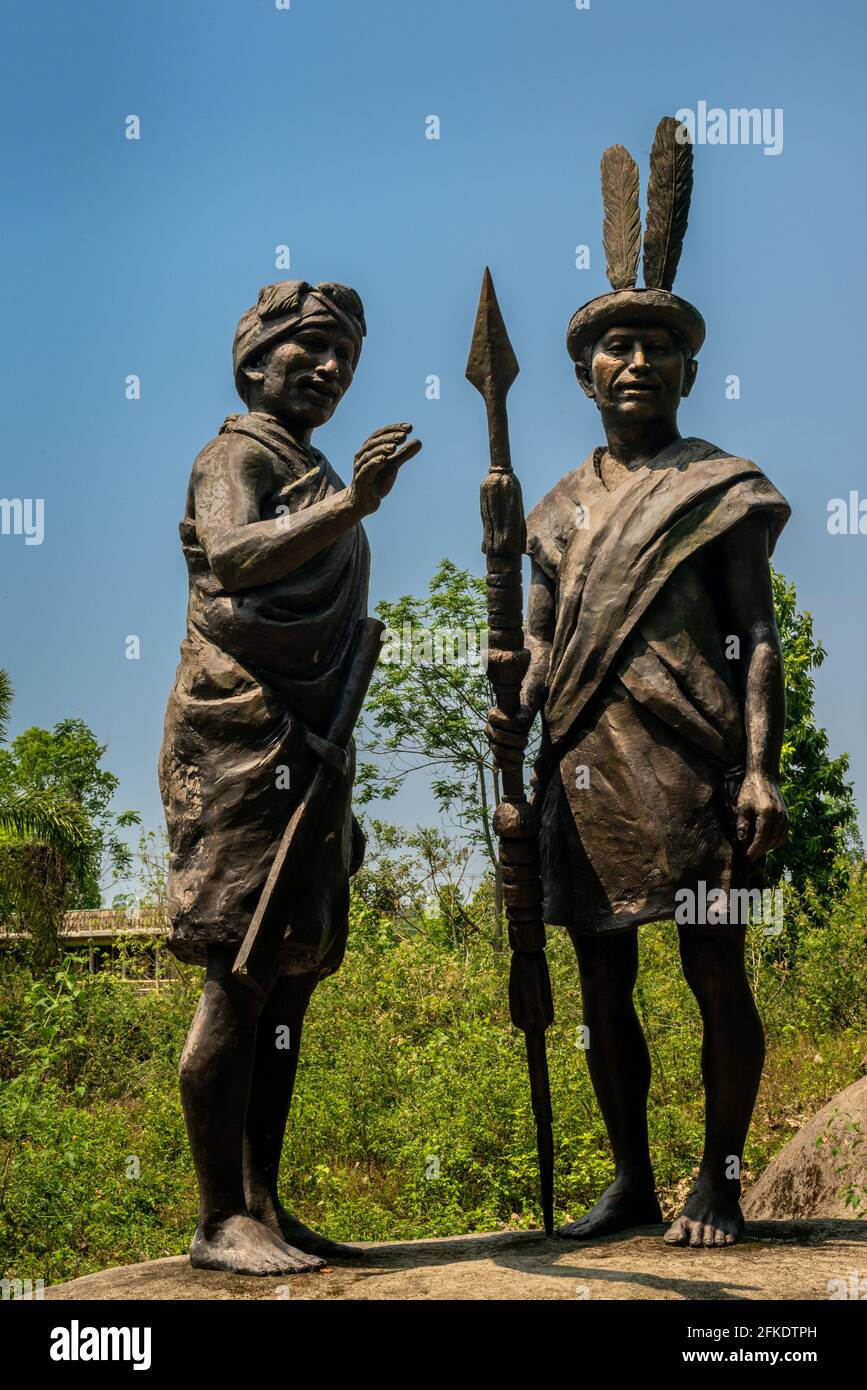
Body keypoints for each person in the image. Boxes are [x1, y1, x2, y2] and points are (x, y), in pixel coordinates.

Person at [487, 121, 790, 1248]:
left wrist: (760, 768)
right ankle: (629, 1179)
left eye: (655, 349)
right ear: (581, 372)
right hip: (583, 767)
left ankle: (718, 1176)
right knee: (601, 981)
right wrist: (507, 715)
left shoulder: (720, 488)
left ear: (687, 369)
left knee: (716, 969)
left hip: (697, 764)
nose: (634, 363)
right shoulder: (555, 506)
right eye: (612, 347)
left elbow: (757, 636)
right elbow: (534, 640)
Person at [158, 279, 420, 1274]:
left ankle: (264, 1202)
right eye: (312, 347)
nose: (331, 368)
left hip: (315, 739)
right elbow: (230, 559)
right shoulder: (235, 456)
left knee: (292, 980)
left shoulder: (309, 468)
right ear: (255, 358)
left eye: (345, 356)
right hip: (240, 742)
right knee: (239, 970)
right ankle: (217, 1213)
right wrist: (352, 503)